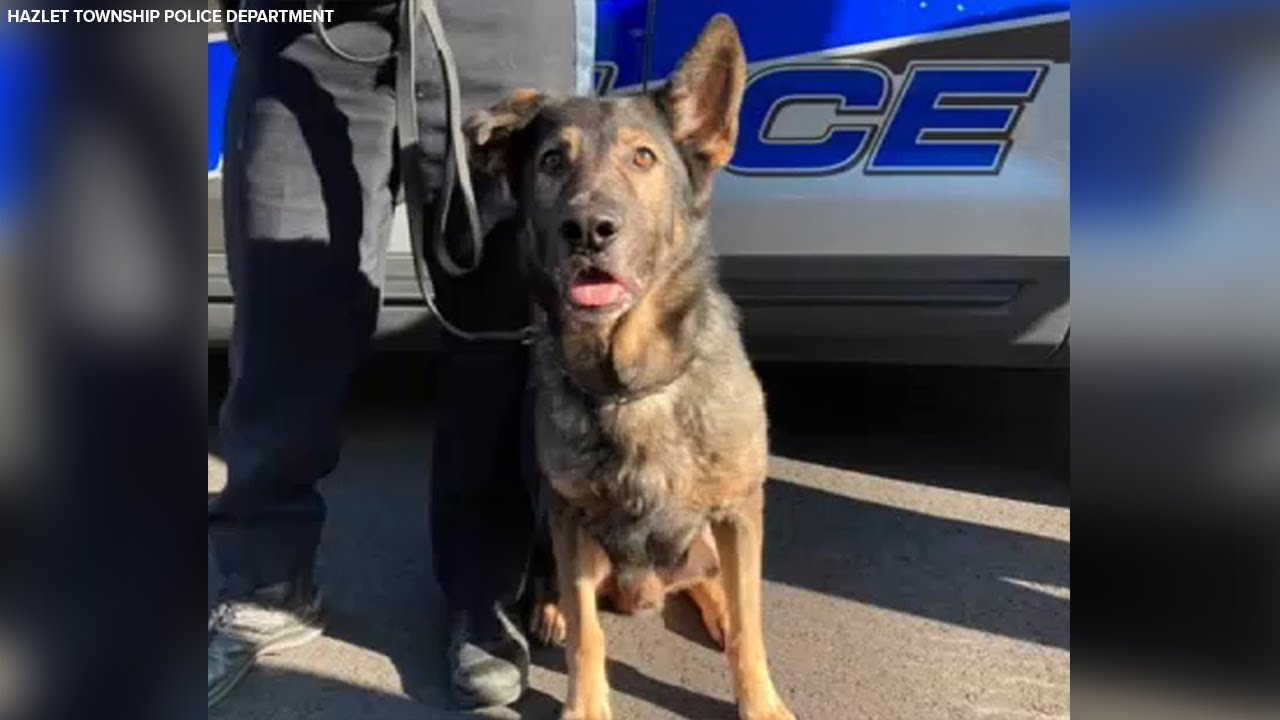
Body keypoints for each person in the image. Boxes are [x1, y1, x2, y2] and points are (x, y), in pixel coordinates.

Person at [206, 0, 589, 709]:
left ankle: (486, 593)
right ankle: (265, 577)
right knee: (285, 309)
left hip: (499, 22)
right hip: (304, 28)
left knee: (501, 320)